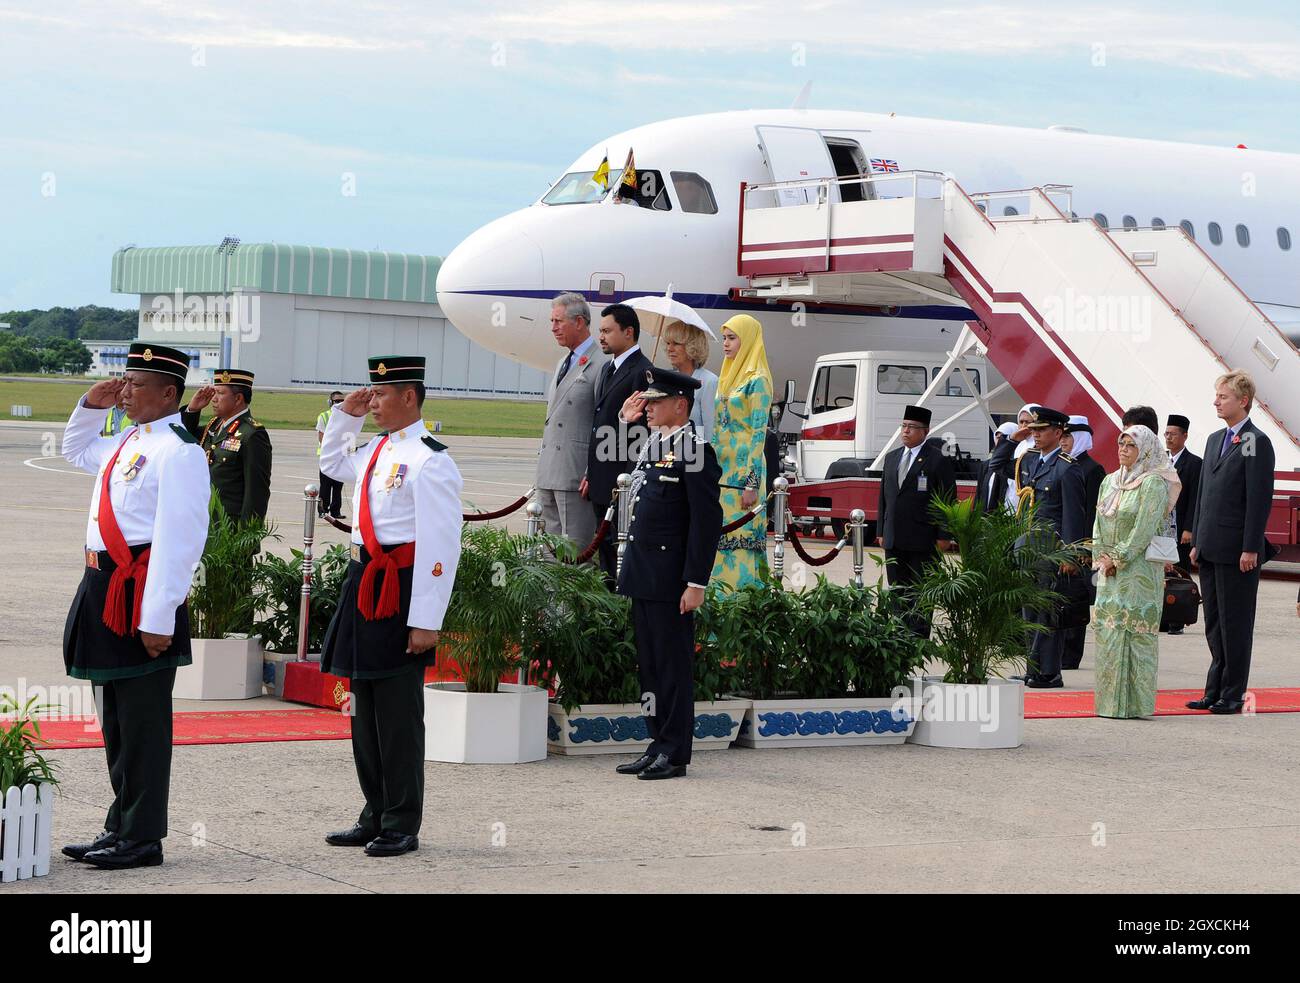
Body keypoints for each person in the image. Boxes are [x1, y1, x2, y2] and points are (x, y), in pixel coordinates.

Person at [60, 343, 210, 870]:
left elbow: (180, 540)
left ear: (169, 393)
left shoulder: (181, 450)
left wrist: (158, 617)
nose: (125, 390)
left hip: (142, 595)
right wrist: (91, 405)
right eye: (123, 380)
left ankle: (143, 837)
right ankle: (119, 823)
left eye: (136, 383)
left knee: (143, 724)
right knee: (117, 721)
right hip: (104, 587)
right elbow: (75, 451)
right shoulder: (127, 438)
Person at [318, 355, 464, 856]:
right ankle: (374, 811)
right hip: (365, 580)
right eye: (371, 394)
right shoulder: (374, 448)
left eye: (380, 395)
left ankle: (402, 820)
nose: (373, 401)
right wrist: (346, 416)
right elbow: (331, 463)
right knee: (362, 707)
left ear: (409, 397)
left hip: (401, 587)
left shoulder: (430, 458)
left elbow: (442, 548)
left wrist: (426, 620)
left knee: (398, 715)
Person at [613, 367, 723, 780]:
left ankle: (675, 750)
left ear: (680, 404)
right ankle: (656, 740)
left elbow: (705, 522)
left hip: (672, 577)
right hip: (645, 571)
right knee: (650, 666)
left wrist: (697, 582)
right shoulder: (656, 444)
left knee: (672, 666)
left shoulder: (695, 450)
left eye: (656, 402)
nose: (648, 408)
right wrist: (625, 422)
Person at [1186, 370, 1275, 714]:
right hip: (1210, 545)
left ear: (1243, 401)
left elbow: (1258, 499)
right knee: (1214, 624)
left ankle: (1233, 693)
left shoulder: (1254, 441)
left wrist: (1251, 546)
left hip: (1237, 549)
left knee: (1235, 623)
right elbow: (1204, 494)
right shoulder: (1213, 439)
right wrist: (1196, 537)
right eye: (1217, 395)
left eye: (1223, 396)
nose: (1216, 402)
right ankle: (1214, 690)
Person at [987, 406, 1087, 687]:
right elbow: (997, 465)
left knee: (1047, 611)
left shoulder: (1067, 468)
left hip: (1050, 549)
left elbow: (1073, 514)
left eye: (1041, 430)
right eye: (1033, 429)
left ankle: (1049, 672)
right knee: (1028, 611)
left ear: (1058, 433)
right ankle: (1034, 668)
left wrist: (1070, 553)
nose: (1036, 434)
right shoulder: (1031, 460)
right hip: (1027, 546)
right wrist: (1012, 440)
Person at [1091, 426, 1182, 718]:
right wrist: (1101, 557)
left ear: (1145, 450)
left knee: (1135, 635)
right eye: (1122, 444)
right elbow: (1098, 522)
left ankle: (1135, 705)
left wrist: (1118, 558)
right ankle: (1108, 704)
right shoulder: (1109, 482)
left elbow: (1144, 530)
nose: (1123, 450)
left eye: (1131, 445)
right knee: (1109, 634)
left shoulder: (1153, 484)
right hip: (1109, 570)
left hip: (1139, 571)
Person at [582, 304, 652, 582]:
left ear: (629, 332)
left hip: (621, 481)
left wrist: (628, 481)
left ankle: (619, 611)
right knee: (604, 555)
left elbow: (641, 434)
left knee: (618, 551)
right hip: (601, 478)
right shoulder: (608, 369)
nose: (601, 337)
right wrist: (591, 470)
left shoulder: (642, 372)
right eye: (600, 331)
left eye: (608, 331)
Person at [875, 405, 956, 637]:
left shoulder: (937, 460)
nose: (906, 431)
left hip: (923, 539)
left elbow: (947, 498)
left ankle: (917, 636)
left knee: (919, 591)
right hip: (894, 537)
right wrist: (881, 529)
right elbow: (884, 497)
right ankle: (899, 633)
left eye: (911, 427)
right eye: (903, 426)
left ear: (925, 431)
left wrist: (944, 535)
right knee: (897, 590)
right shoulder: (892, 458)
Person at [536, 293, 606, 552]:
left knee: (577, 552)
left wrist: (593, 470)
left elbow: (603, 422)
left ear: (579, 322)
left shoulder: (601, 364)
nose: (553, 328)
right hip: (549, 470)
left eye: (558, 321)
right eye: (552, 321)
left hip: (576, 474)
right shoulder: (563, 363)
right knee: (548, 551)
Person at [711, 314, 773, 590]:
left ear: (747, 340)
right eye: (724, 338)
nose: (725, 344)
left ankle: (743, 610)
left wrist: (752, 482)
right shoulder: (727, 376)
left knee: (741, 542)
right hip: (722, 472)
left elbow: (759, 432)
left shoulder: (757, 380)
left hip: (744, 473)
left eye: (732, 338)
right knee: (719, 544)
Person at [182, 369, 273, 524]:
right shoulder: (215, 426)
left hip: (228, 527)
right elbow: (184, 438)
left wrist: (245, 538)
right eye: (214, 393)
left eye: (220, 393)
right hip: (205, 522)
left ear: (238, 398)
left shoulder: (252, 434)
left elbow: (256, 492)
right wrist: (192, 410)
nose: (214, 399)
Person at [1060, 415, 1106, 670]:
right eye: (1063, 437)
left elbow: (1092, 511)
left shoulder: (1092, 469)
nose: (1064, 442)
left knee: (1077, 600)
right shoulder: (1063, 465)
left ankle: (1071, 655)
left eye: (1068, 437)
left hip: (1081, 548)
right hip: (1062, 544)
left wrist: (1085, 549)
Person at [1162, 414, 1203, 633]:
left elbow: (1196, 497)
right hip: (1162, 527)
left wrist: (1190, 527)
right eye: (1166, 433)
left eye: (1173, 434)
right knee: (1161, 570)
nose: (1168, 438)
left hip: (1181, 527)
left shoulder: (1194, 463)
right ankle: (1163, 616)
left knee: (1179, 572)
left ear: (1184, 436)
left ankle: (1177, 620)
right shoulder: (1161, 460)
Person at [663, 320, 718, 442]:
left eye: (676, 343)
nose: (669, 348)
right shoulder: (667, 378)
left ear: (692, 346)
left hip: (695, 454)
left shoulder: (709, 381)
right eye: (667, 343)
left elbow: (710, 430)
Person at [1003, 404, 1039, 512]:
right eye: (1021, 422)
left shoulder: (1039, 447)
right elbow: (997, 465)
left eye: (1028, 422)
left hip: (1028, 506)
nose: (1024, 426)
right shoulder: (1018, 445)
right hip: (1010, 502)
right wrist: (1012, 440)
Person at [974, 422, 1017, 512]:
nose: (1000, 441)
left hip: (1005, 519)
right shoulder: (986, 465)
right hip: (985, 519)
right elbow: (979, 494)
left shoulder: (1016, 466)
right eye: (998, 438)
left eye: (1004, 438)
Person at [316, 392, 346, 519]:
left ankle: (335, 511)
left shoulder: (347, 417)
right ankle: (322, 510)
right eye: (336, 401)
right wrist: (330, 452)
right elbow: (321, 436)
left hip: (341, 457)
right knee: (325, 486)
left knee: (338, 486)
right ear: (330, 403)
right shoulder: (324, 416)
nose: (339, 403)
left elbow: (349, 435)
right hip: (327, 457)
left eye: (341, 401)